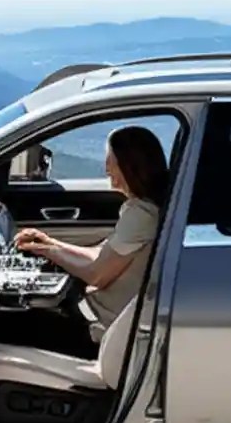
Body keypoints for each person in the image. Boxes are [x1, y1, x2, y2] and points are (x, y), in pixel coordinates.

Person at [14, 125, 169, 330]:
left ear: (129, 165)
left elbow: (97, 275)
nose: (106, 169)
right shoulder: (142, 209)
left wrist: (45, 251)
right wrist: (48, 243)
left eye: (111, 161)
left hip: (101, 321)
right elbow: (99, 254)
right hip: (98, 310)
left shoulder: (142, 216)